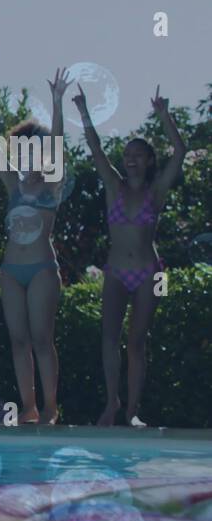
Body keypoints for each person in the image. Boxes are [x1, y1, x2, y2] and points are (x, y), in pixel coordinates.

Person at [76, 85, 186, 427]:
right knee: (109, 339)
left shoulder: (157, 190)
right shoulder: (114, 187)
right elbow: (95, 150)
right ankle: (112, 403)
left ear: (149, 160)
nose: (130, 158)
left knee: (137, 342)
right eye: (127, 154)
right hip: (116, 272)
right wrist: (83, 110)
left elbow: (181, 151)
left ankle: (134, 410)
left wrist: (164, 116)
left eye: (137, 153)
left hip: (149, 273)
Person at [0, 70, 72, 424]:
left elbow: (57, 143)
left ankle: (50, 408)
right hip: (11, 271)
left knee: (42, 339)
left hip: (42, 268)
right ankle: (28, 409)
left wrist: (57, 103)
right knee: (18, 342)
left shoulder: (52, 187)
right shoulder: (13, 184)